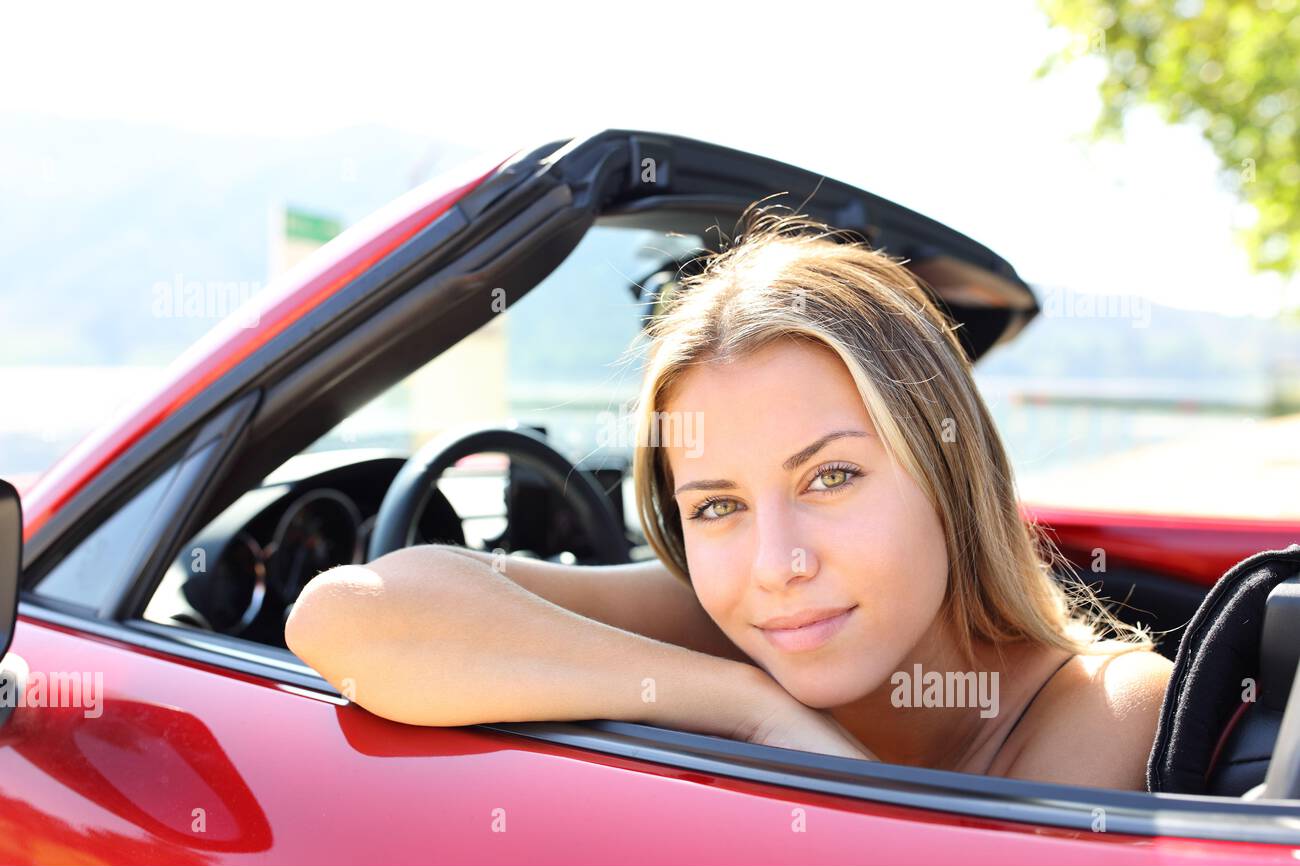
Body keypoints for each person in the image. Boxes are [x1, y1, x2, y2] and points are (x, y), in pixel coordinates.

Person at [286, 206, 1173, 791]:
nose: (777, 565)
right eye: (717, 506)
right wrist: (748, 708)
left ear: (950, 478)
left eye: (831, 477)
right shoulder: (727, 621)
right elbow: (347, 616)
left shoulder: (1113, 710)